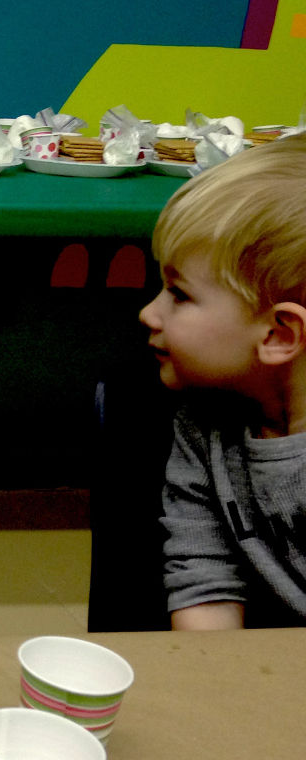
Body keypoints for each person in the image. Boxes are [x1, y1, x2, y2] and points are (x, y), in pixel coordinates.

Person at [138, 132, 306, 630]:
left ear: (279, 334)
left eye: (179, 294)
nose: (149, 313)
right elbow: (204, 581)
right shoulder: (204, 425)